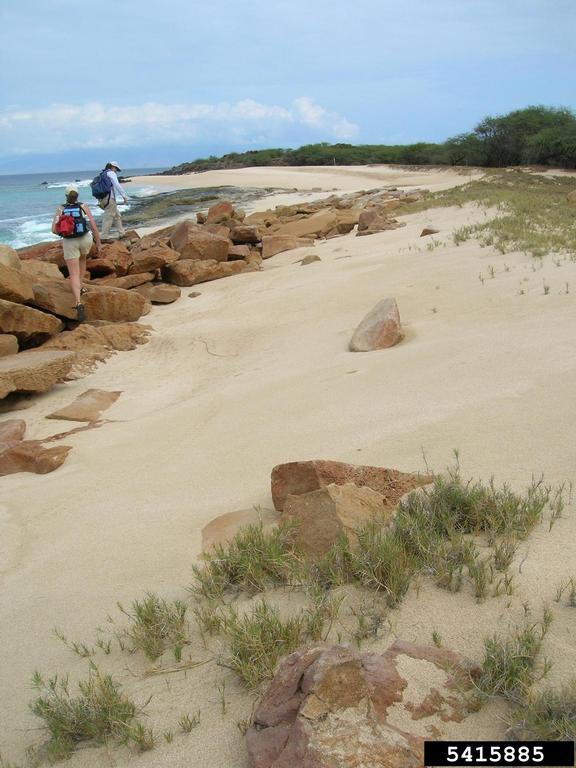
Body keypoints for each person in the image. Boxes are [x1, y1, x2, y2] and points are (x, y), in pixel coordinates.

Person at [51, 184, 101, 322]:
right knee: (82, 260)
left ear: (66, 196)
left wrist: (63, 230)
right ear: (77, 195)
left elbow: (54, 230)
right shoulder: (83, 206)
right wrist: (99, 243)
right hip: (85, 239)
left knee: (73, 273)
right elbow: (94, 226)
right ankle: (82, 286)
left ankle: (78, 303)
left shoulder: (61, 209)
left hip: (70, 242)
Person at [99, 161, 129, 240]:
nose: (116, 171)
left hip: (103, 198)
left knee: (117, 216)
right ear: (113, 167)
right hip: (109, 198)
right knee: (108, 217)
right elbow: (117, 185)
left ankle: (121, 233)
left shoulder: (103, 174)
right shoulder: (111, 173)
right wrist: (124, 196)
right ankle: (104, 237)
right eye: (116, 169)